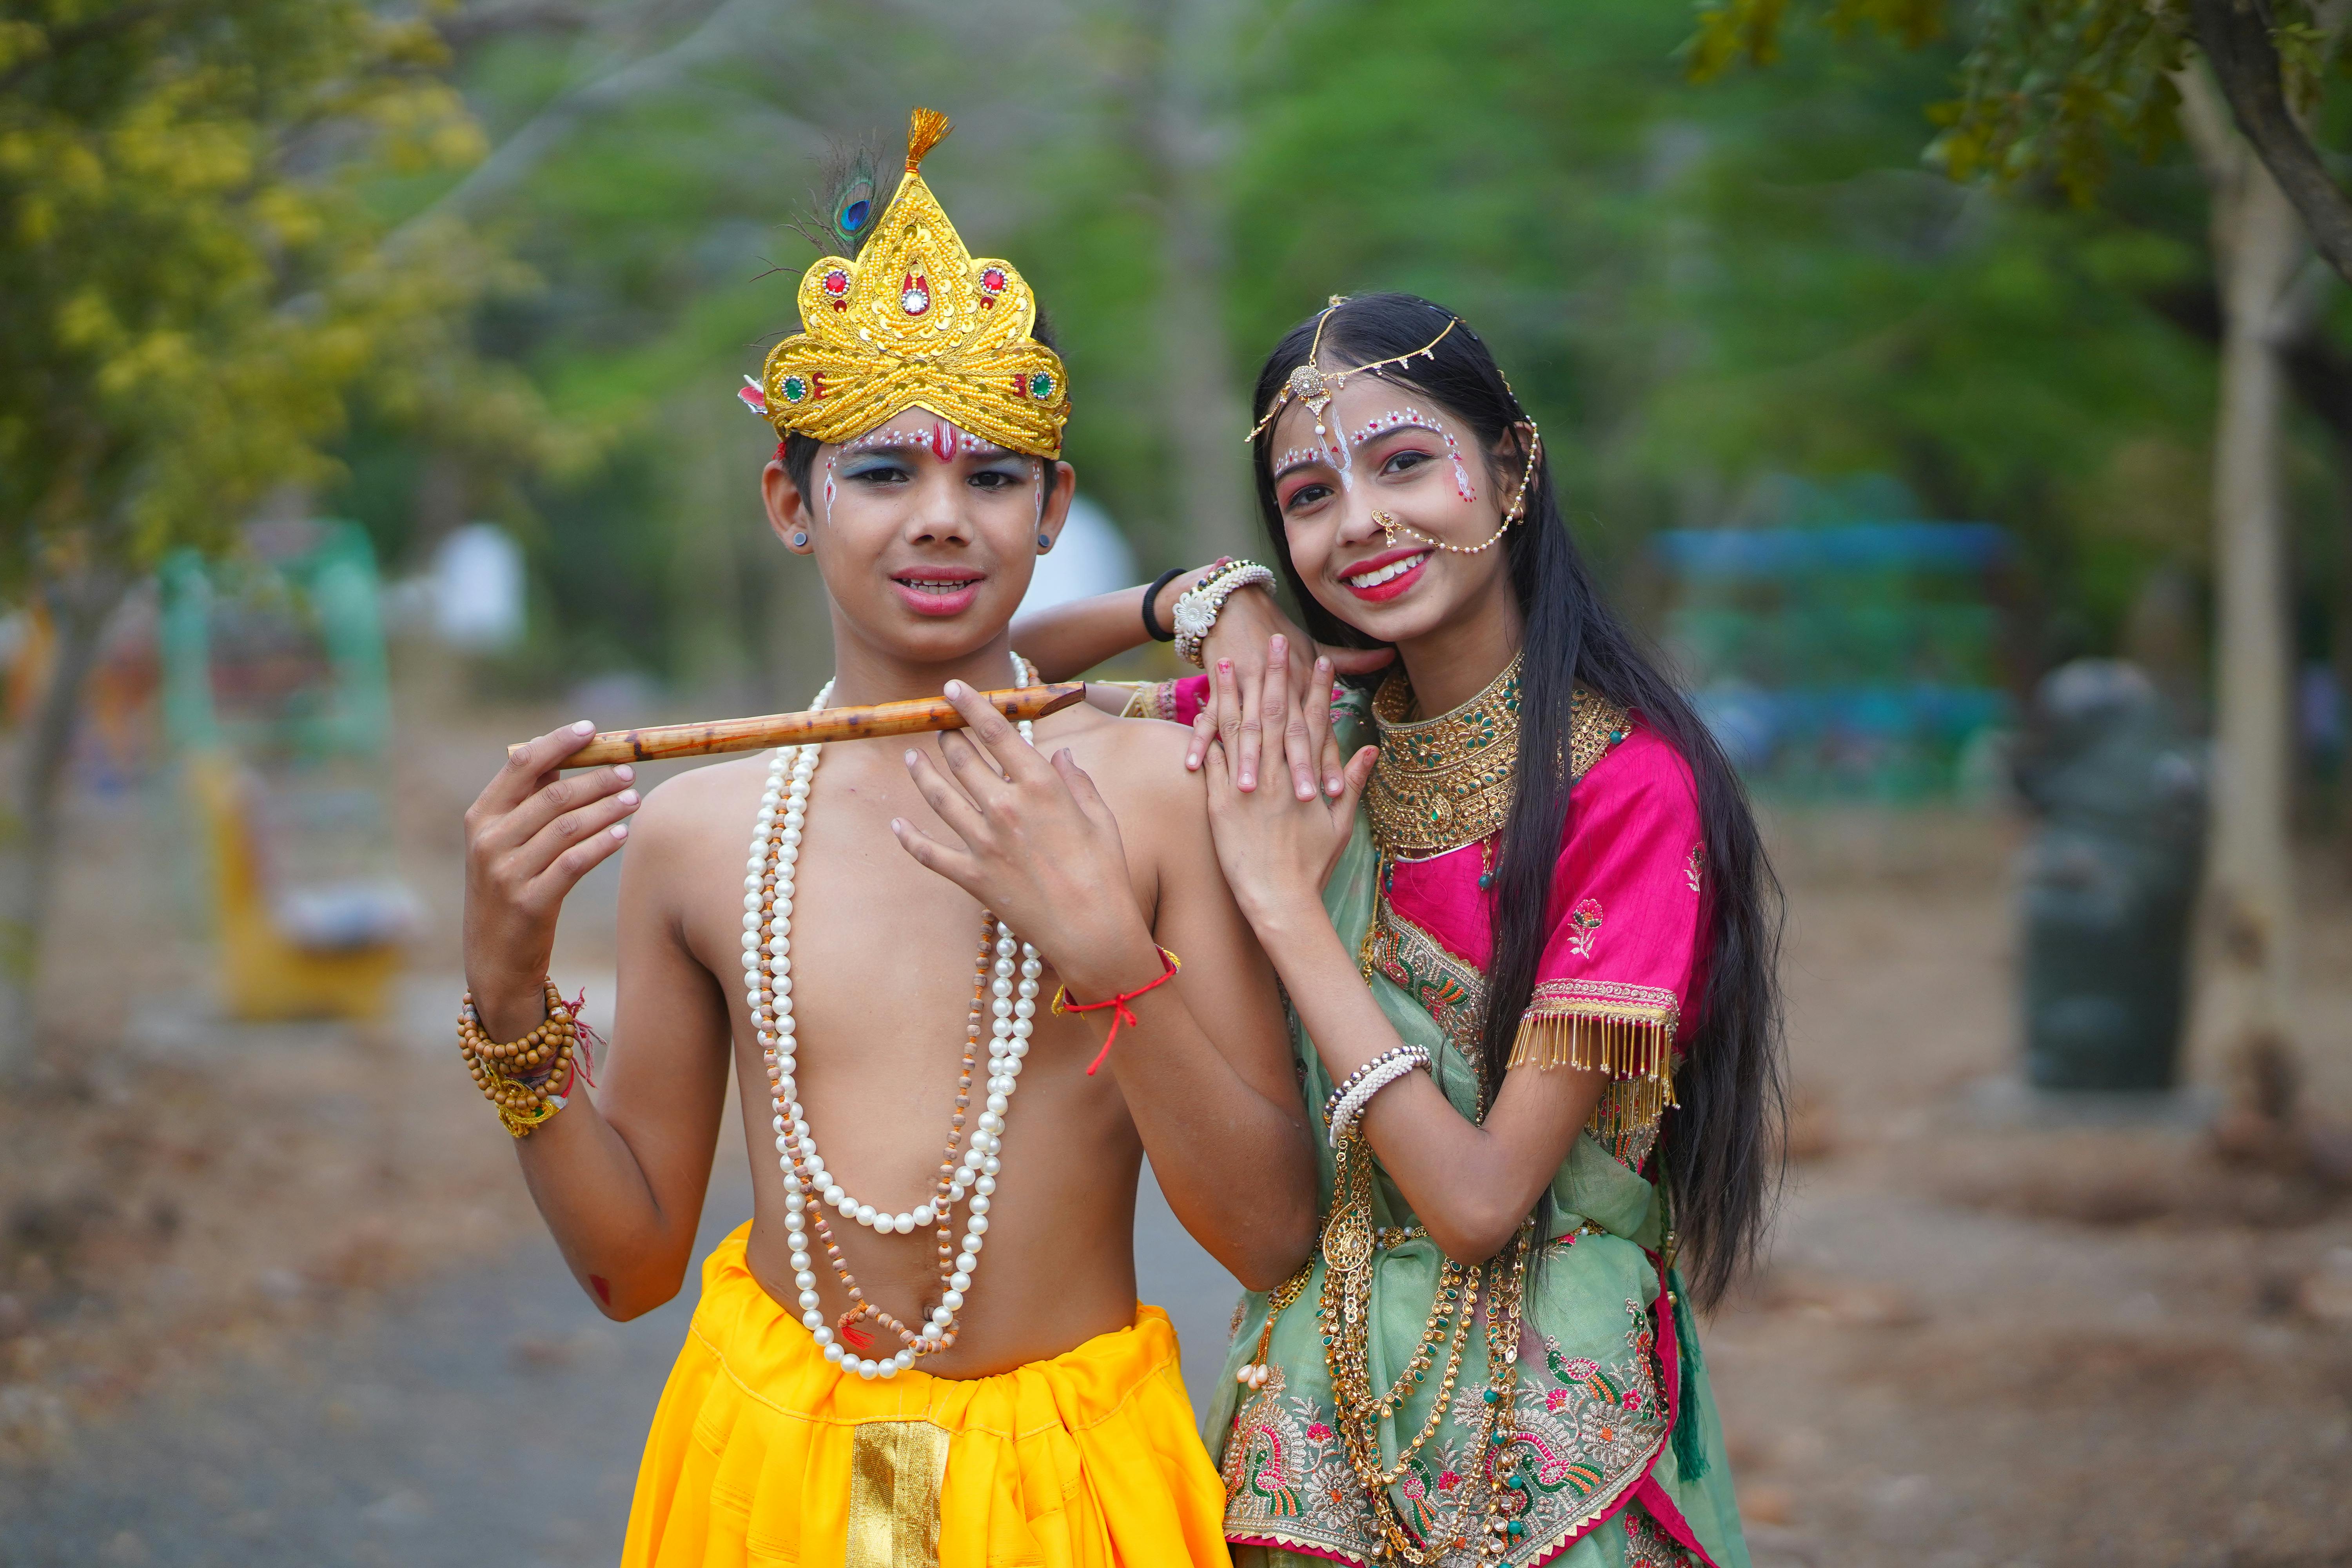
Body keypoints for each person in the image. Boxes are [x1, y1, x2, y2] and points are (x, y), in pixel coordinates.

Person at [456, 109, 1317, 1568]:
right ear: (790, 504)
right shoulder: (702, 834)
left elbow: (1271, 1235)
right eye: (881, 475)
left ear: (1052, 507)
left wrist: (1106, 950)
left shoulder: (1154, 791)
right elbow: (630, 1267)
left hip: (1061, 1491)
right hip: (785, 1478)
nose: (941, 521)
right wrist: (506, 1001)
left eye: (993, 478)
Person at [1017, 294, 1782, 1566]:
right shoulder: (1308, 734)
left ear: (1513, 469)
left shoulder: (1630, 790)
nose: (1361, 521)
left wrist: (1285, 908)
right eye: (1310, 496)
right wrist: (1201, 598)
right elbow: (993, 687)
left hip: (1549, 1466)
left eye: (1405, 463)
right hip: (1309, 1442)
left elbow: (1479, 1204)